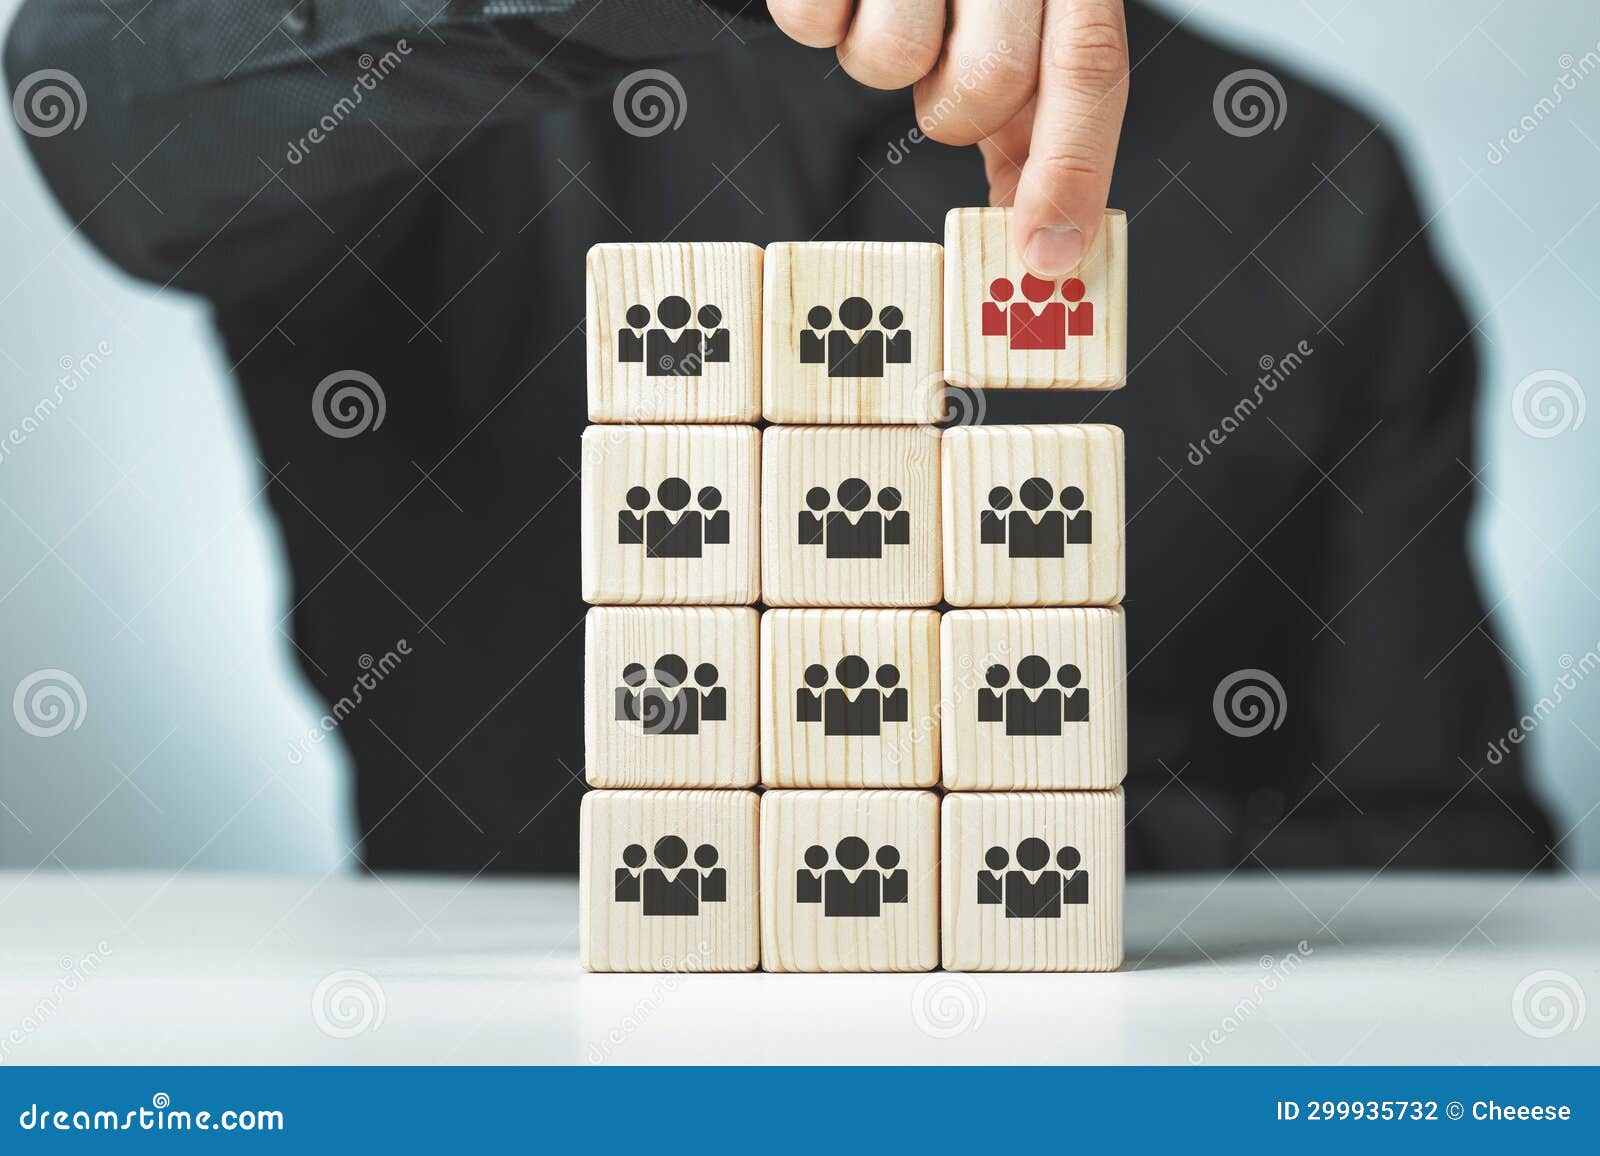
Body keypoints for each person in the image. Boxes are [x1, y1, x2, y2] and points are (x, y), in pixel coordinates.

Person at [7, 1, 1551, 873]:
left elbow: (1446, 834)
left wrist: (1023, 859)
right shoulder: (430, 98)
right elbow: (96, 100)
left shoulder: (1310, 174)